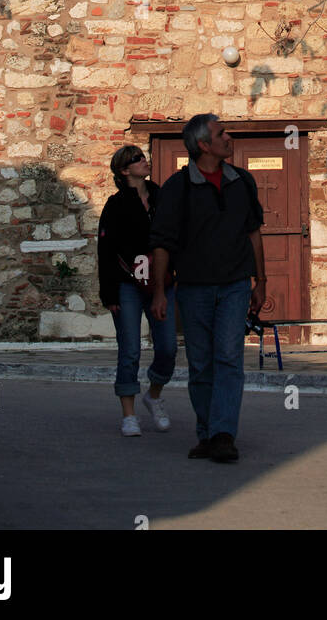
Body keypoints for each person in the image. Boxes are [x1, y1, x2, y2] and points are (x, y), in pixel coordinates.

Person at [149, 114, 265, 464]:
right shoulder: (176, 188)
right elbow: (162, 245)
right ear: (203, 145)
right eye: (221, 133)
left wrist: (263, 280)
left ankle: (223, 434)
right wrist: (158, 292)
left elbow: (254, 233)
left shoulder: (242, 181)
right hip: (194, 288)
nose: (228, 137)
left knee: (229, 358)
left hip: (234, 286)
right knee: (201, 364)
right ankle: (208, 433)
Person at [97, 144, 177, 437]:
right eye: (137, 159)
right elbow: (105, 250)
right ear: (124, 170)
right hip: (127, 284)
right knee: (129, 348)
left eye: (144, 156)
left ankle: (154, 395)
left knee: (168, 347)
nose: (145, 161)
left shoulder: (161, 198)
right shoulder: (115, 205)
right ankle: (128, 414)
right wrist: (109, 294)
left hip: (162, 283)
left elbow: (173, 236)